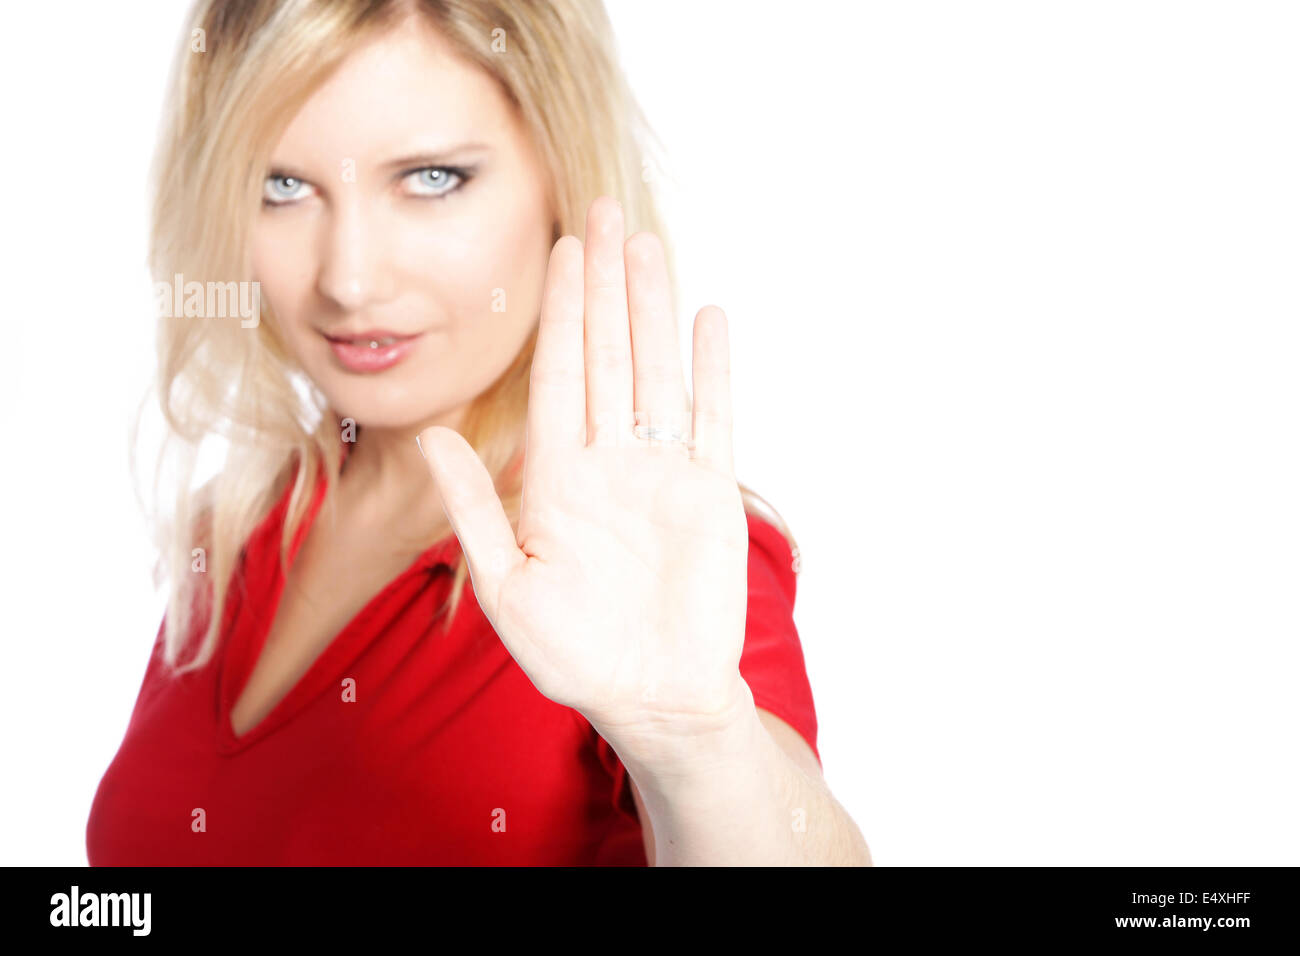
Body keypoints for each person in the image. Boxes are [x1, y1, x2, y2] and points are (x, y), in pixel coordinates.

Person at [86, 0, 873, 866]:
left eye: (430, 178)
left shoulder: (648, 557)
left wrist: (691, 743)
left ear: (559, 172)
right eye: (283, 186)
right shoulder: (239, 532)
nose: (348, 278)